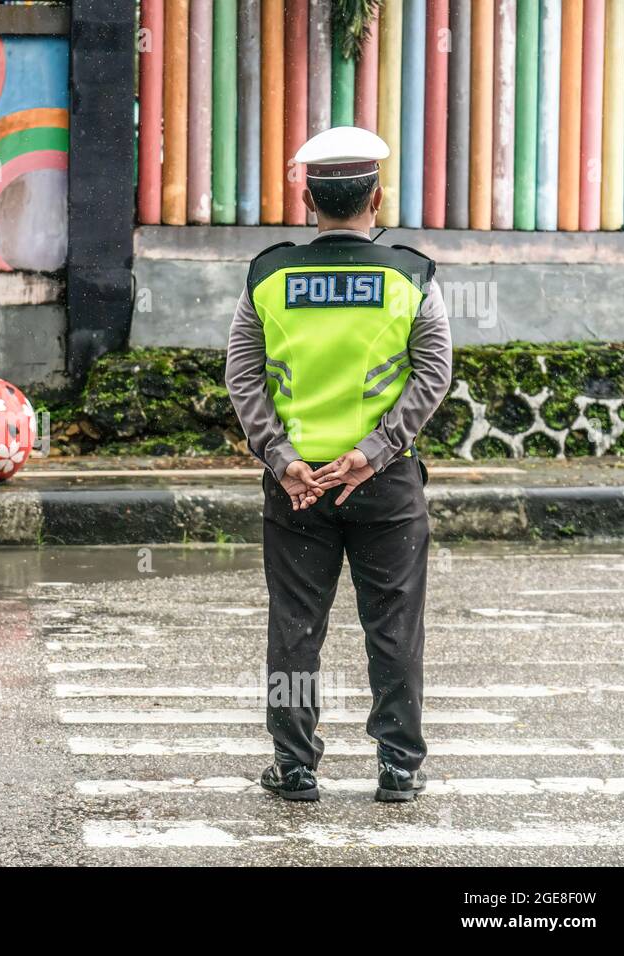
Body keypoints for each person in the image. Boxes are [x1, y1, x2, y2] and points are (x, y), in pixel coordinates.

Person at [225, 126, 453, 803]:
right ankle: (398, 766)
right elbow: (433, 372)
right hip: (386, 487)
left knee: (295, 627)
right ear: (376, 197)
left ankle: (294, 765)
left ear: (308, 198)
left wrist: (284, 456)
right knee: (394, 625)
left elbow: (244, 375)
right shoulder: (411, 275)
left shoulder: (268, 275)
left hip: (296, 489)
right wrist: (374, 454)